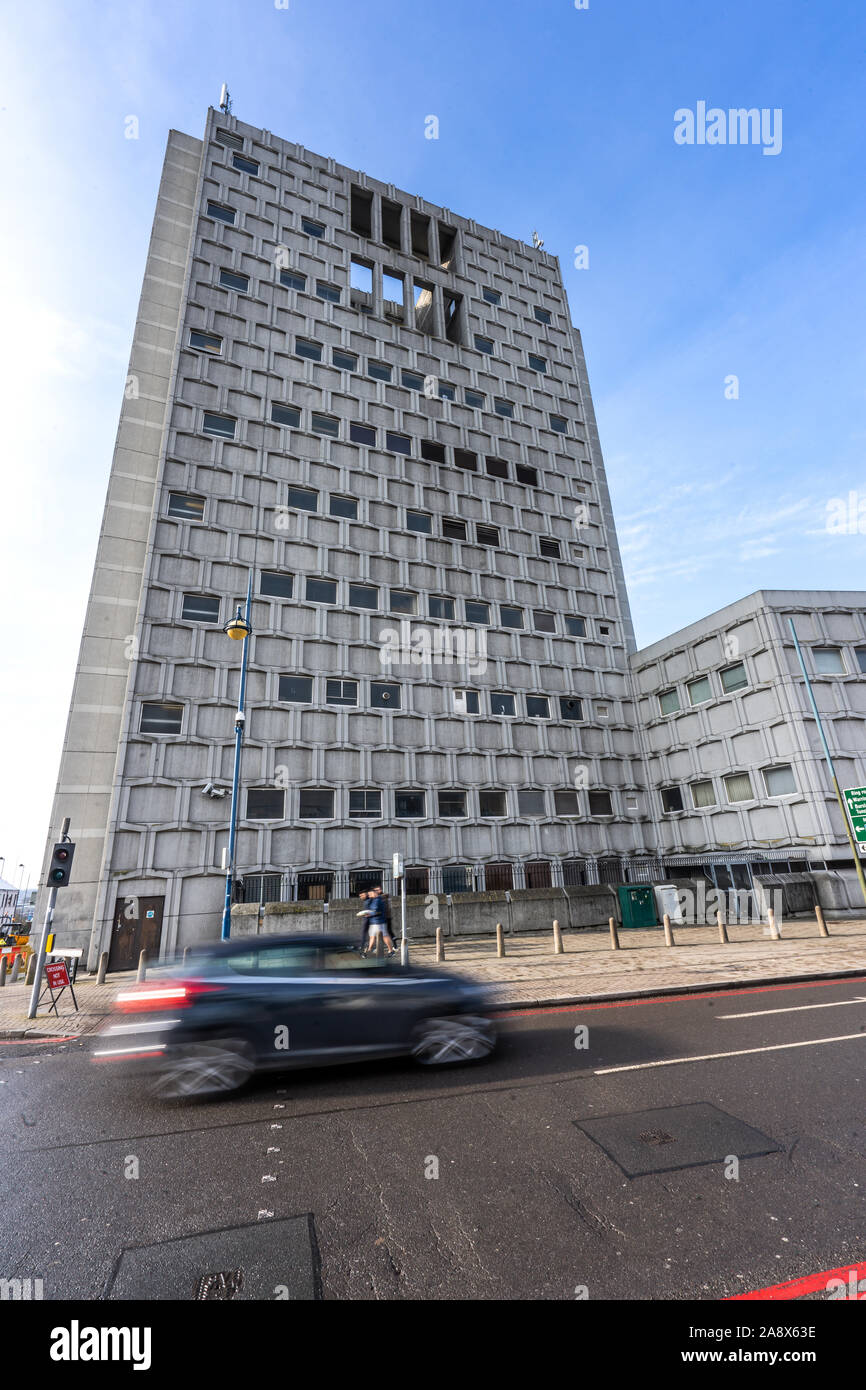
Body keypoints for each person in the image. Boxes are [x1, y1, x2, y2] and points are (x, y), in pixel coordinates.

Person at [365, 885, 395, 956]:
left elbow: (376, 911)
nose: (369, 895)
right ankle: (369, 950)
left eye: (370, 894)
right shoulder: (374, 900)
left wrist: (369, 914)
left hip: (379, 922)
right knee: (372, 936)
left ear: (374, 893)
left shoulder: (377, 900)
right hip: (375, 921)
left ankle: (391, 950)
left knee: (384, 936)